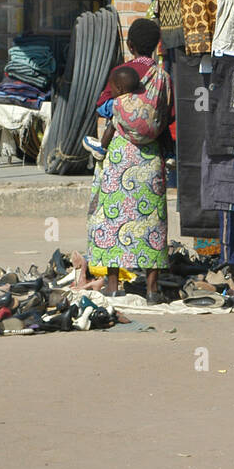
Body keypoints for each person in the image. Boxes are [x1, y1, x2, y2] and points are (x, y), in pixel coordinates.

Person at [86, 19, 173, 302]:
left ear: (130, 46)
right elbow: (168, 114)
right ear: (157, 45)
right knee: (151, 220)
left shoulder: (120, 72)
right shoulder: (163, 76)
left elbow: (101, 106)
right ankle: (152, 289)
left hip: (120, 152)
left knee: (114, 216)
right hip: (151, 156)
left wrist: (120, 108)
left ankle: (112, 286)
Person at [83, 65, 141, 163]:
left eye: (112, 89)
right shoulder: (140, 101)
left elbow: (100, 111)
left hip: (120, 144)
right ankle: (170, 153)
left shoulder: (116, 103)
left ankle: (101, 148)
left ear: (119, 89)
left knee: (113, 123)